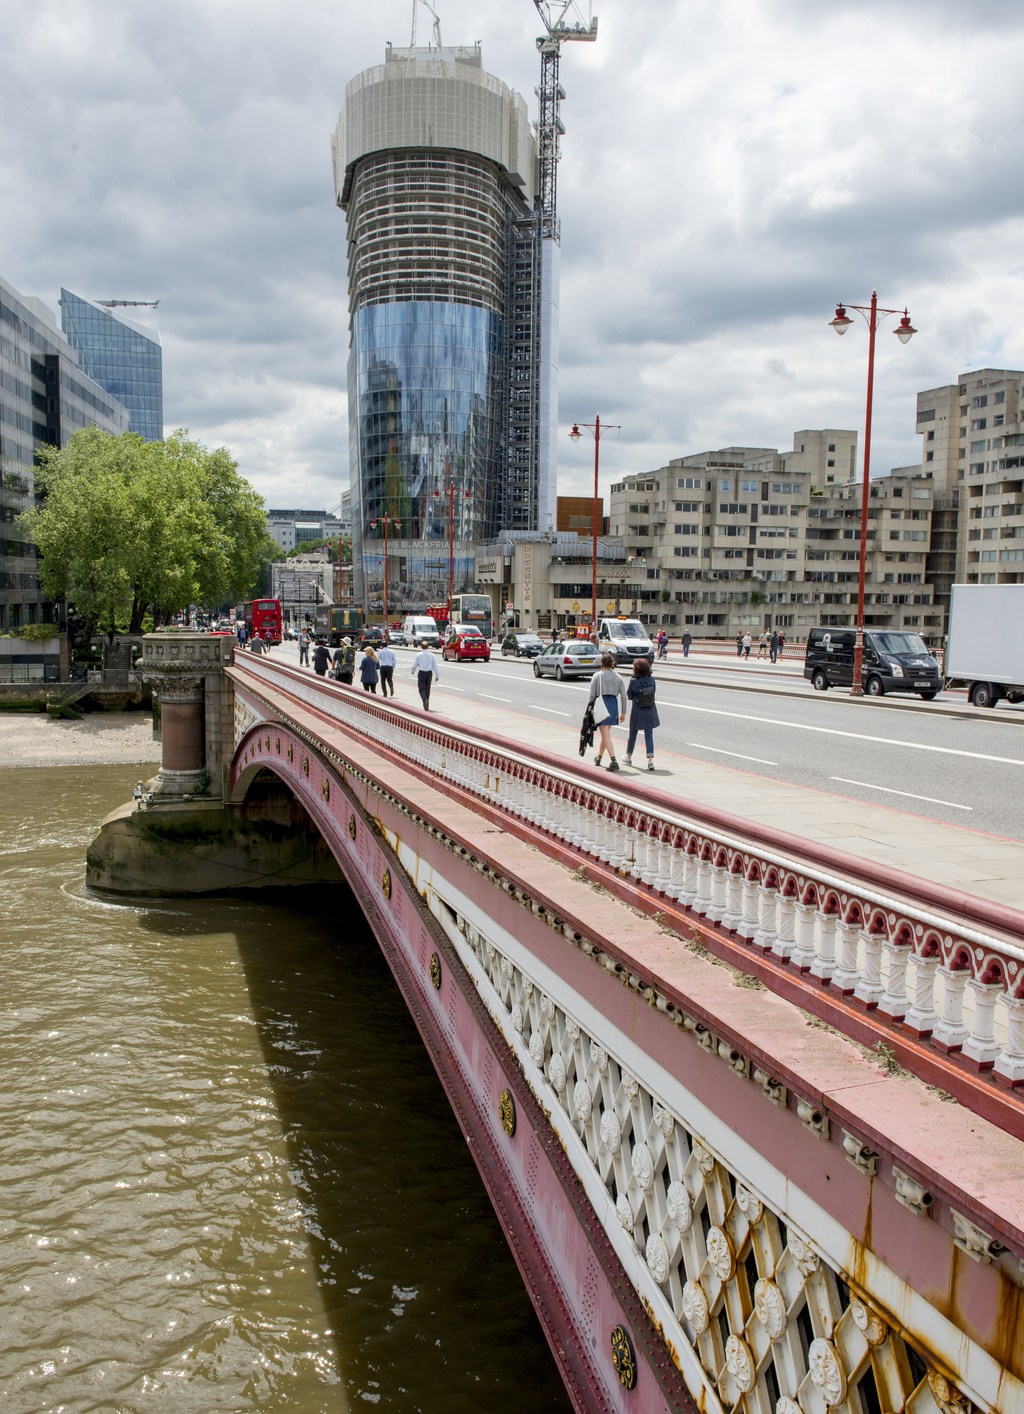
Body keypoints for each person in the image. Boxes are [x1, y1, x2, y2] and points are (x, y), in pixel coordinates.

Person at [588, 652, 627, 772]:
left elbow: (592, 695)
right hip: (613, 705)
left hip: (602, 705)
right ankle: (598, 757)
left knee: (605, 735)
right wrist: (623, 712)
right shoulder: (618, 677)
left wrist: (590, 709)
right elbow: (624, 696)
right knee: (606, 735)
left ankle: (613, 760)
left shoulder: (597, 676)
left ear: (602, 663)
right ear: (612, 663)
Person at [624, 657, 660, 771]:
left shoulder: (634, 681)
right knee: (649, 735)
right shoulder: (652, 680)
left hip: (637, 712)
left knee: (633, 735)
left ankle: (629, 757)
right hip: (650, 710)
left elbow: (629, 696)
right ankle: (650, 761)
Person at [411, 644, 440, 709]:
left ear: (421, 647)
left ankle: (425, 700)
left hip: (422, 673)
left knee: (421, 689)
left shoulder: (418, 655)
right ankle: (426, 704)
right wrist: (437, 675)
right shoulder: (432, 655)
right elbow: (435, 665)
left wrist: (412, 671)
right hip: (429, 673)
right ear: (428, 647)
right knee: (427, 689)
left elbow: (415, 664)